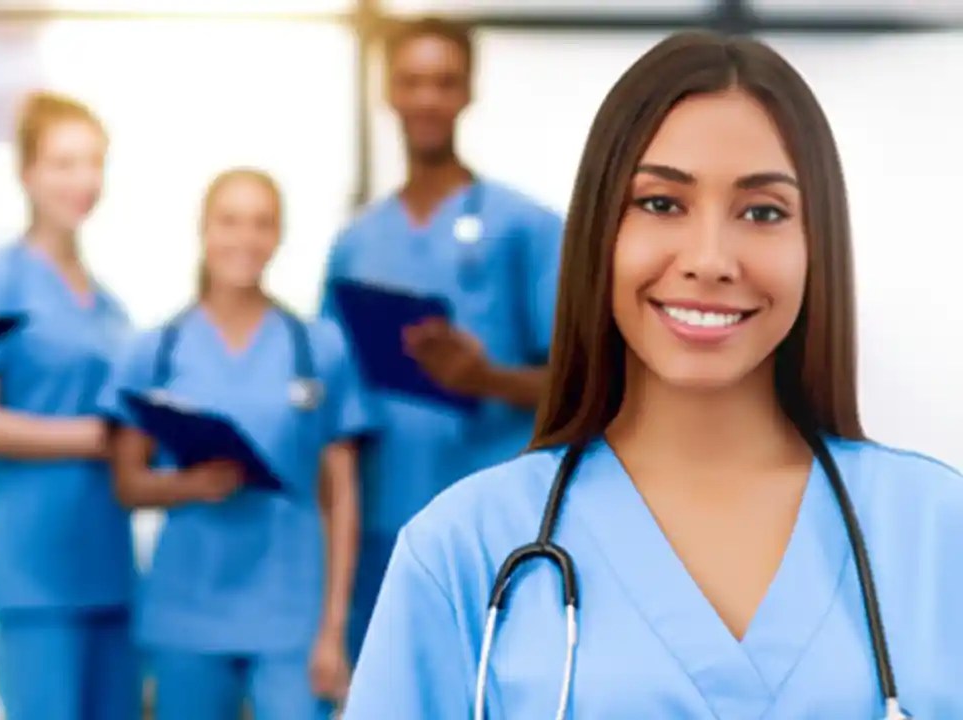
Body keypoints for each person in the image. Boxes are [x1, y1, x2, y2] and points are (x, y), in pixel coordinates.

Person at [343, 30, 963, 719]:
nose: (709, 259)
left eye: (763, 212)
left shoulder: (939, 531)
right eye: (661, 203)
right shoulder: (462, 551)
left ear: (817, 246)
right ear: (599, 234)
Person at [319, 17, 564, 660]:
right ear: (388, 92)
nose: (427, 98)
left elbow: (583, 382)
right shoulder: (355, 246)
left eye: (445, 82)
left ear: (467, 94)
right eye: (412, 82)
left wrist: (485, 380)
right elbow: (333, 408)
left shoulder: (527, 228)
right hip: (384, 525)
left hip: (496, 525)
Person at [107, 169, 373, 720]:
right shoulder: (156, 350)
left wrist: (332, 629)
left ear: (279, 236)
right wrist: (192, 485)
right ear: (203, 230)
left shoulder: (318, 349)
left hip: (289, 610)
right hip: (187, 609)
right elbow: (128, 485)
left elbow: (342, 498)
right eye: (229, 221)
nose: (244, 239)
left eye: (261, 223)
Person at [0, 91, 140, 720]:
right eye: (64, 163)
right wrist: (93, 437)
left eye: (94, 163)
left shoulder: (114, 308)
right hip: (33, 569)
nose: (82, 180)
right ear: (27, 172)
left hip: (109, 564)